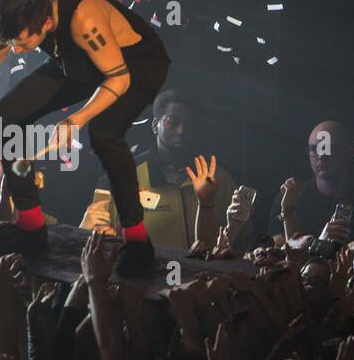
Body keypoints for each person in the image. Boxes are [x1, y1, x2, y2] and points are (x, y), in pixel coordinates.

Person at [0, 0, 170, 275]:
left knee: (103, 133)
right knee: (4, 114)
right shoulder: (18, 10)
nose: (17, 52)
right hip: (79, 61)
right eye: (12, 43)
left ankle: (137, 242)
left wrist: (75, 119)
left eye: (23, 43)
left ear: (47, 23)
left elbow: (118, 80)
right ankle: (30, 227)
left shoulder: (85, 18)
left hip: (133, 67)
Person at [78, 88, 246, 251]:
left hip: (205, 277)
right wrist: (85, 231)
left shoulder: (220, 180)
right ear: (155, 125)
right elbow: (92, 236)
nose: (182, 130)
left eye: (190, 124)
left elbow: (239, 243)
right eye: (173, 121)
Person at [269, 120, 354, 244]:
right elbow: (276, 255)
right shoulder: (290, 198)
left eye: (329, 148)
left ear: (348, 151)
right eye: (314, 149)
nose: (321, 156)